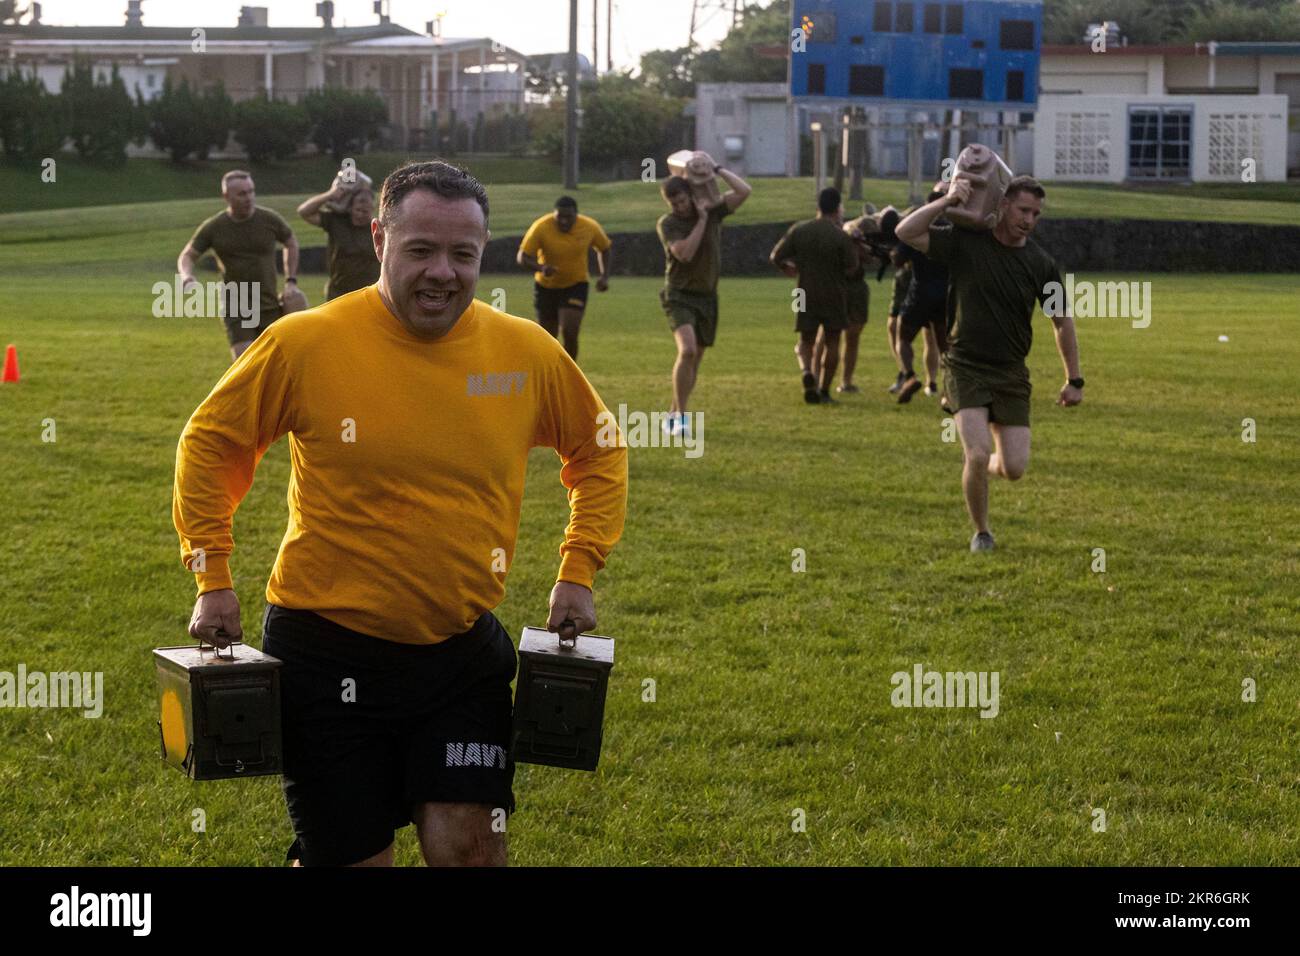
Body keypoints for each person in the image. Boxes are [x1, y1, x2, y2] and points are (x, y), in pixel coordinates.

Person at [173, 161, 629, 866]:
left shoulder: (524, 353)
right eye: (421, 250)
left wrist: (578, 568)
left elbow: (600, 450)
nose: (442, 272)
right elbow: (211, 443)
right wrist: (213, 575)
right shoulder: (306, 343)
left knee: (472, 850)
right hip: (325, 653)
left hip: (458, 656)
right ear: (380, 237)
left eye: (463, 255)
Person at [896, 175, 1083, 552]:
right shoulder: (966, 242)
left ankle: (988, 467)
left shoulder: (1040, 264)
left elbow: (1061, 321)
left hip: (1011, 371)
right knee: (977, 453)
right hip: (964, 365)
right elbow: (905, 231)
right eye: (1023, 209)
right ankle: (982, 532)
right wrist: (948, 201)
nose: (1029, 219)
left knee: (1013, 468)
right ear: (1002, 205)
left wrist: (1074, 379)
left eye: (1036, 214)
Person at [655, 165, 752, 435]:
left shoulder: (714, 212)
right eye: (673, 203)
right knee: (686, 351)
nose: (679, 207)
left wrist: (717, 168)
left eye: (683, 201)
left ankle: (674, 413)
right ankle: (681, 419)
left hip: (708, 296)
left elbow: (744, 191)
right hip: (679, 294)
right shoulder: (668, 223)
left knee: (695, 358)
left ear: (691, 195)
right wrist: (700, 221)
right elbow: (684, 254)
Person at [177, 170, 300, 362]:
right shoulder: (214, 227)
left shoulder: (269, 219)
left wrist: (291, 281)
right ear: (226, 196)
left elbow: (291, 242)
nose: (248, 198)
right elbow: (187, 256)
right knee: (246, 365)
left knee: (278, 365)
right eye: (242, 194)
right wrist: (186, 277)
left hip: (269, 305)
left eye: (251, 191)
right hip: (236, 307)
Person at [769, 187, 860, 404]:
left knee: (805, 340)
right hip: (834, 294)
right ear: (837, 208)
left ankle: (806, 371)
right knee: (832, 341)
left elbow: (776, 256)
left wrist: (788, 268)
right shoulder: (840, 236)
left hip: (802, 292)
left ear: (818, 206)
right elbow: (852, 268)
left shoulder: (799, 230)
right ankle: (824, 390)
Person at [517, 197, 612, 361]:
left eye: (568, 217)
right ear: (554, 214)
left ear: (577, 215)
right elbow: (522, 257)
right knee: (547, 336)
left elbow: (604, 249)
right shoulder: (541, 226)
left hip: (576, 285)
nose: (563, 221)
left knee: (570, 330)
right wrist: (541, 268)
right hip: (546, 286)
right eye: (559, 216)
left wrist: (604, 276)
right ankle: (549, 372)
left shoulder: (589, 226)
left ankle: (570, 372)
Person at [894, 185, 953, 404]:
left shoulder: (918, 228)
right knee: (945, 346)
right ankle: (949, 389)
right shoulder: (953, 229)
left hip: (920, 290)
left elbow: (898, 260)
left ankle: (909, 375)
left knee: (903, 336)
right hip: (946, 293)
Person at [296, 182, 381, 301]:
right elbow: (304, 212)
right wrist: (330, 194)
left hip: (370, 294)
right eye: (358, 209)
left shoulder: (378, 229)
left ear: (373, 209)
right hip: (338, 292)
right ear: (350, 207)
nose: (361, 214)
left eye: (365, 211)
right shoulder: (337, 222)